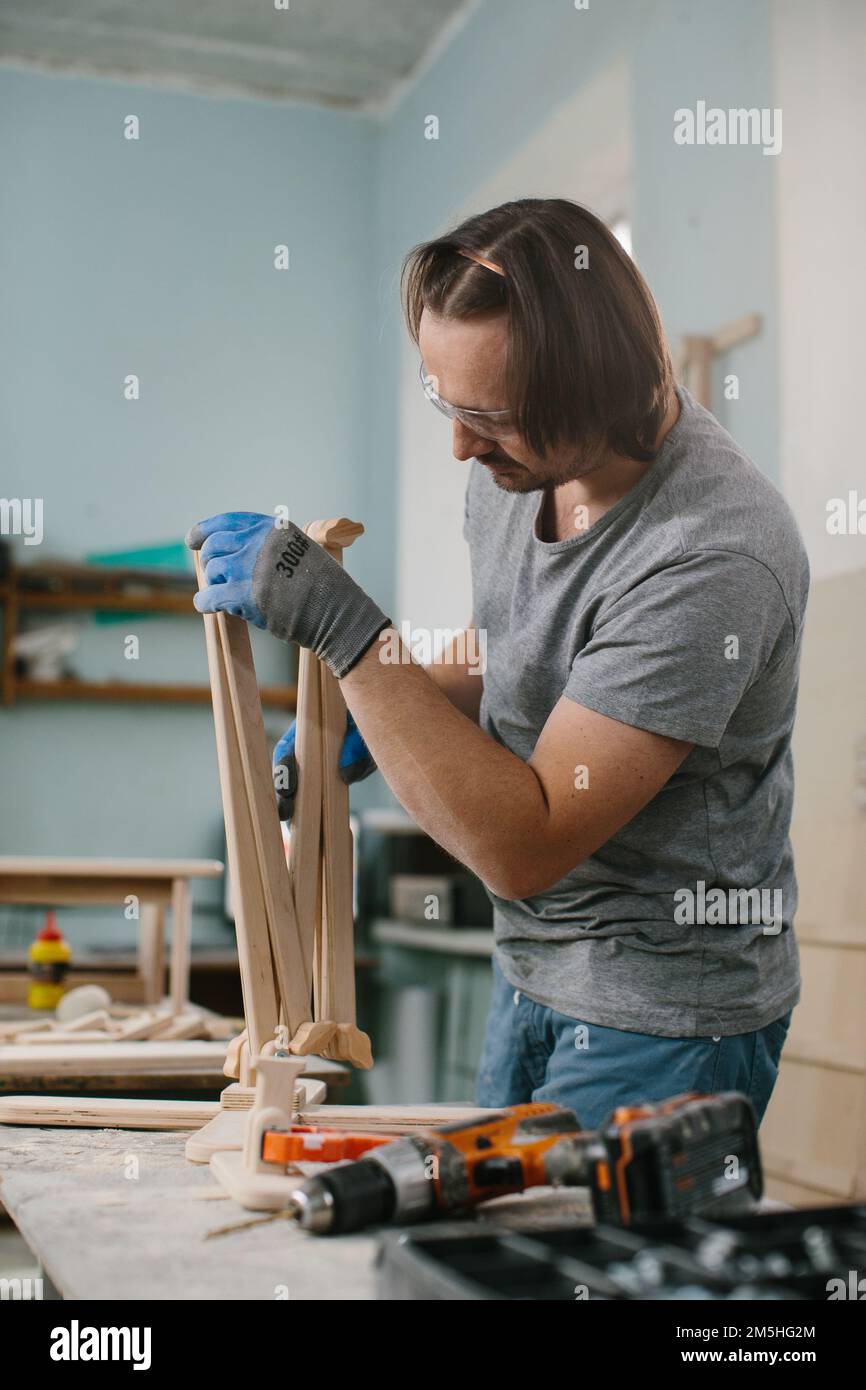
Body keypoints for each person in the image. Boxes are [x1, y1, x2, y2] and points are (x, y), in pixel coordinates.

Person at [187, 198, 808, 1130]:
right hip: (530, 972)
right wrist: (395, 697)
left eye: (492, 416)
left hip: (666, 1011)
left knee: (577, 1271)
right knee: (491, 1265)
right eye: (445, 402)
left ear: (595, 391)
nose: (460, 446)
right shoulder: (517, 474)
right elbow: (503, 644)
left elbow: (527, 844)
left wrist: (349, 635)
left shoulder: (711, 556)